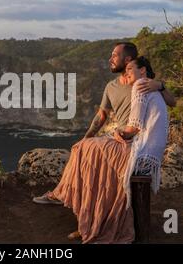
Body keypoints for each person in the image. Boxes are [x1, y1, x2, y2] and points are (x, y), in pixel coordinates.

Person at [33, 48, 171, 244]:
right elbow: (103, 116)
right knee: (87, 150)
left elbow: (134, 127)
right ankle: (86, 215)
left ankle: (88, 217)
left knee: (86, 153)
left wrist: (117, 134)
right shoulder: (120, 86)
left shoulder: (140, 86)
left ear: (141, 70)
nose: (111, 59)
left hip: (138, 151)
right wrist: (89, 136)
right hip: (147, 152)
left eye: (116, 55)